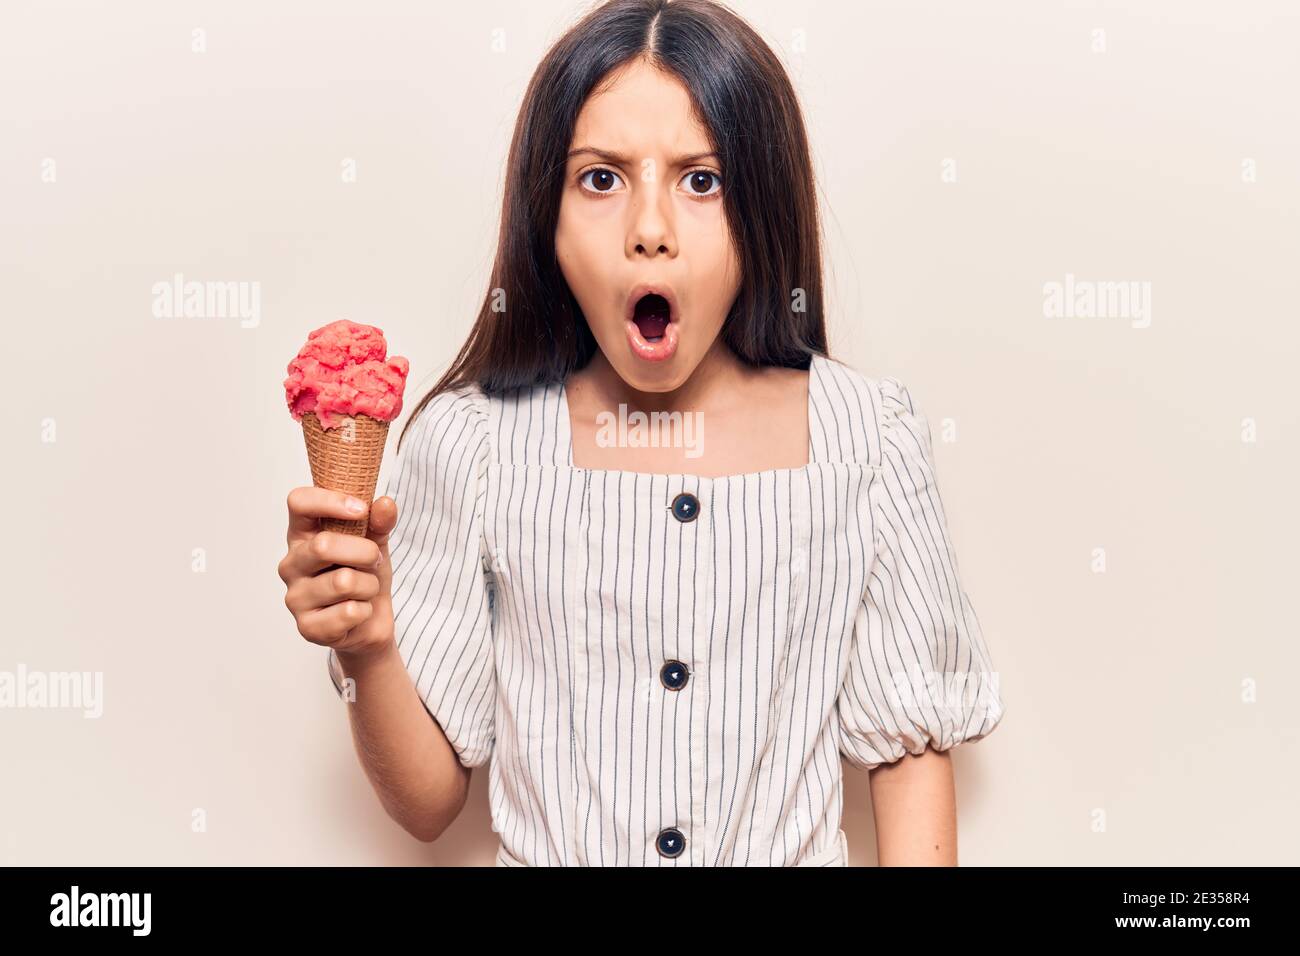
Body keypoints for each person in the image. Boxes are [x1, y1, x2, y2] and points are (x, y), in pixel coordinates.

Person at [277, 0, 1004, 866]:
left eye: (702, 180)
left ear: (763, 206)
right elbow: (430, 805)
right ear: (544, 217)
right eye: (601, 178)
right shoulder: (472, 445)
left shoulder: (866, 438)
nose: (650, 231)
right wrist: (367, 645)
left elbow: (909, 755)